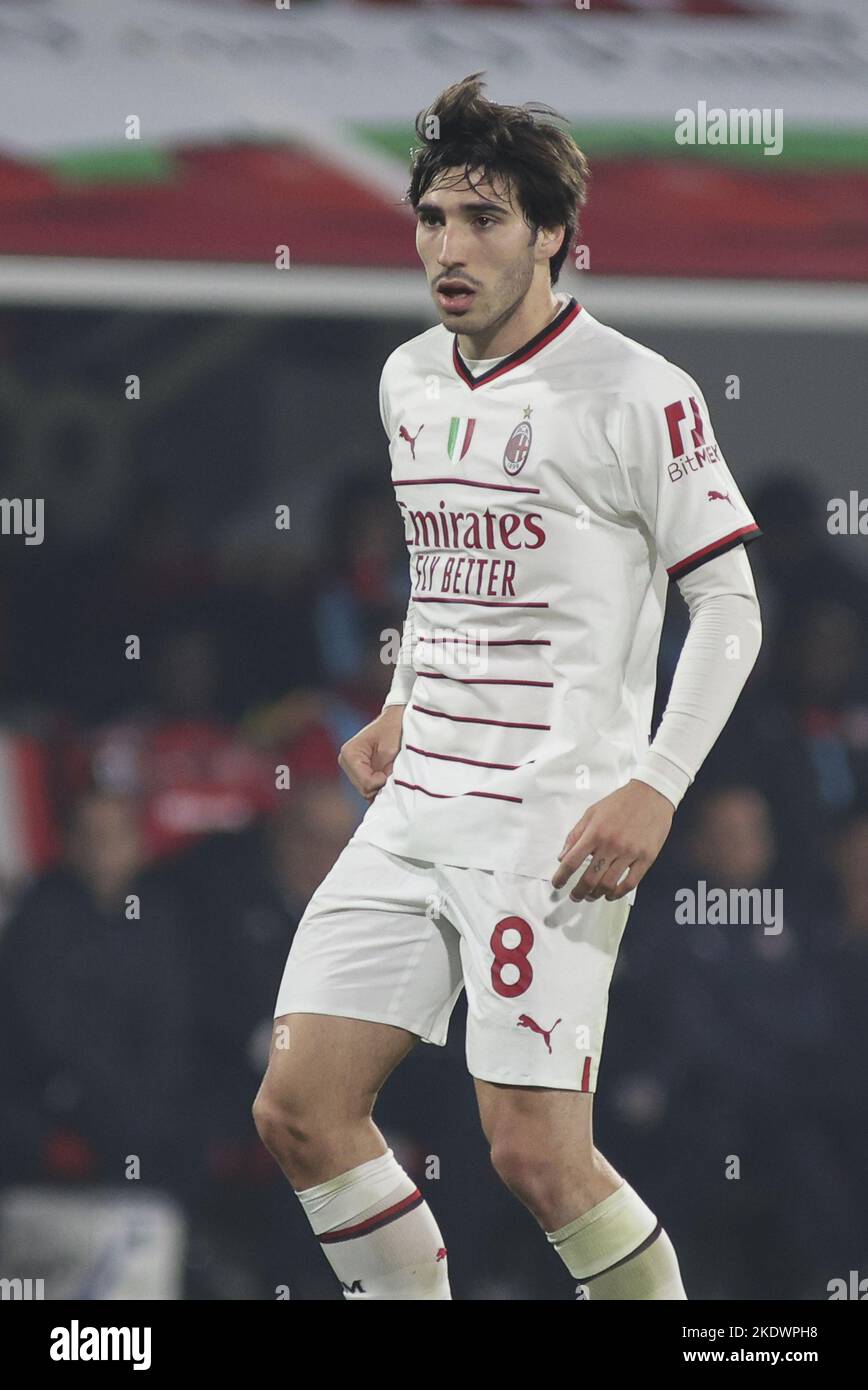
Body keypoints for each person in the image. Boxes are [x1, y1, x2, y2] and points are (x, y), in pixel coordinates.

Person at [253, 73, 763, 1301]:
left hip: (553, 824)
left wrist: (655, 784)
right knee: (301, 1110)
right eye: (431, 218)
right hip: (417, 802)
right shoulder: (408, 380)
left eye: (483, 219)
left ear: (551, 235)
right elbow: (447, 572)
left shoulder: (641, 392)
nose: (448, 247)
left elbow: (729, 610)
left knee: (536, 1155)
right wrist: (402, 693)